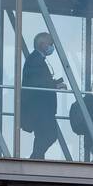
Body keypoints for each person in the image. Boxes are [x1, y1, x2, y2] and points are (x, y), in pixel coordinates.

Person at [20, 32, 66, 160]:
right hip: (40, 109)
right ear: (41, 44)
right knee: (50, 135)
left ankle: (37, 158)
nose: (52, 46)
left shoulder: (35, 59)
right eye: (50, 43)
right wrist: (54, 86)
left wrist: (55, 83)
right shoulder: (35, 60)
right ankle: (35, 158)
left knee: (43, 135)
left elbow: (39, 81)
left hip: (40, 109)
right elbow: (37, 83)